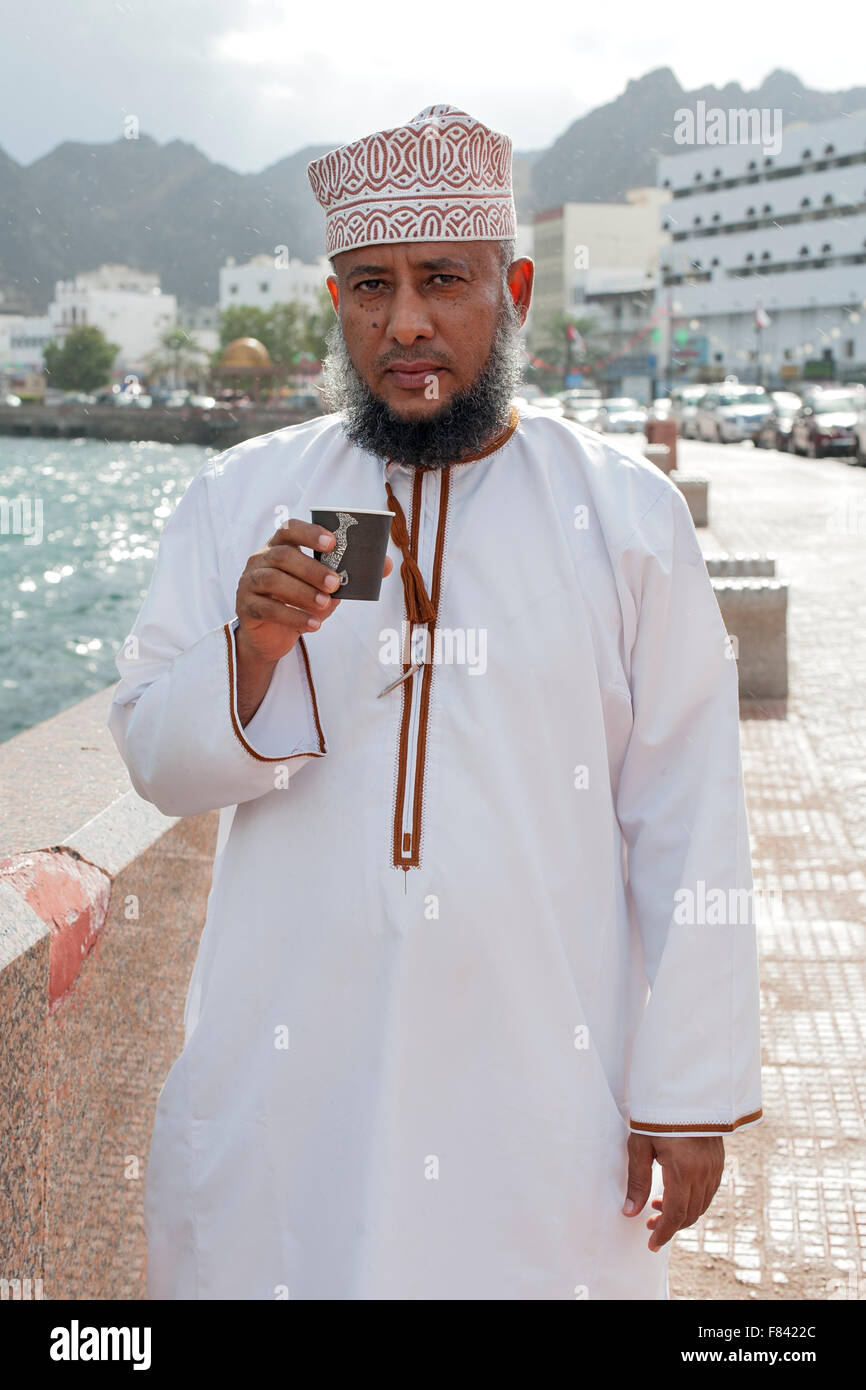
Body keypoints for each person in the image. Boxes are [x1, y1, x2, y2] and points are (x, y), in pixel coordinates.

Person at [108, 103, 761, 1300]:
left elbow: (685, 809)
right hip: (291, 1084)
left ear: (510, 288)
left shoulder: (622, 517)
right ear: (333, 302)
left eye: (440, 281)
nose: (403, 322)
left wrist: (686, 1089)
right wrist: (248, 653)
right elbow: (156, 757)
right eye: (369, 287)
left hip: (539, 1092)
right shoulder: (242, 496)